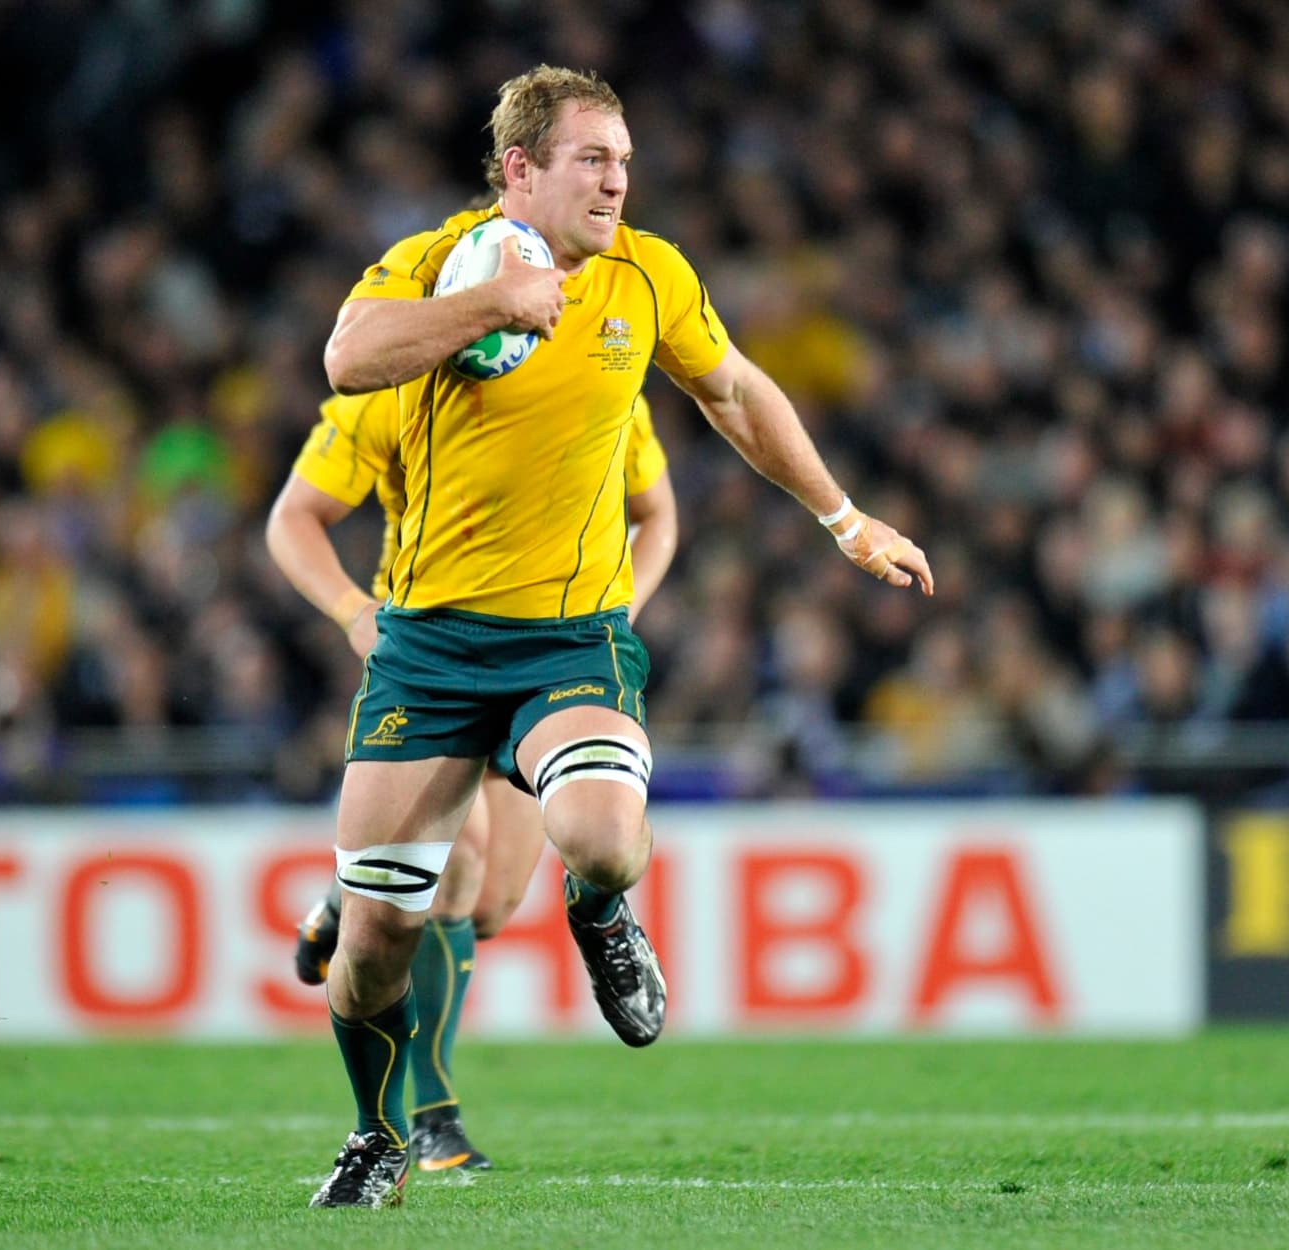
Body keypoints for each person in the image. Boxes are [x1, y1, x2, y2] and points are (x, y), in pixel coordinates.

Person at [307, 65, 931, 1209]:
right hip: (428, 645)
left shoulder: (648, 273)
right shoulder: (437, 258)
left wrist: (843, 519)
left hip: (569, 636)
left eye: (624, 161)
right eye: (592, 159)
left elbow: (733, 392)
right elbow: (346, 357)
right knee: (374, 937)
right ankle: (375, 1135)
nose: (616, 182)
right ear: (519, 171)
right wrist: (493, 306)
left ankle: (600, 913)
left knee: (595, 834)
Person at [265, 387, 678, 1173]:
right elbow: (294, 515)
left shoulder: (598, 369)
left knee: (487, 907)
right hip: (438, 662)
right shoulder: (397, 381)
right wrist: (356, 612)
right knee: (448, 880)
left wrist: (615, 608)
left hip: (552, 661)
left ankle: (346, 892)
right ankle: (432, 1121)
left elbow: (654, 513)